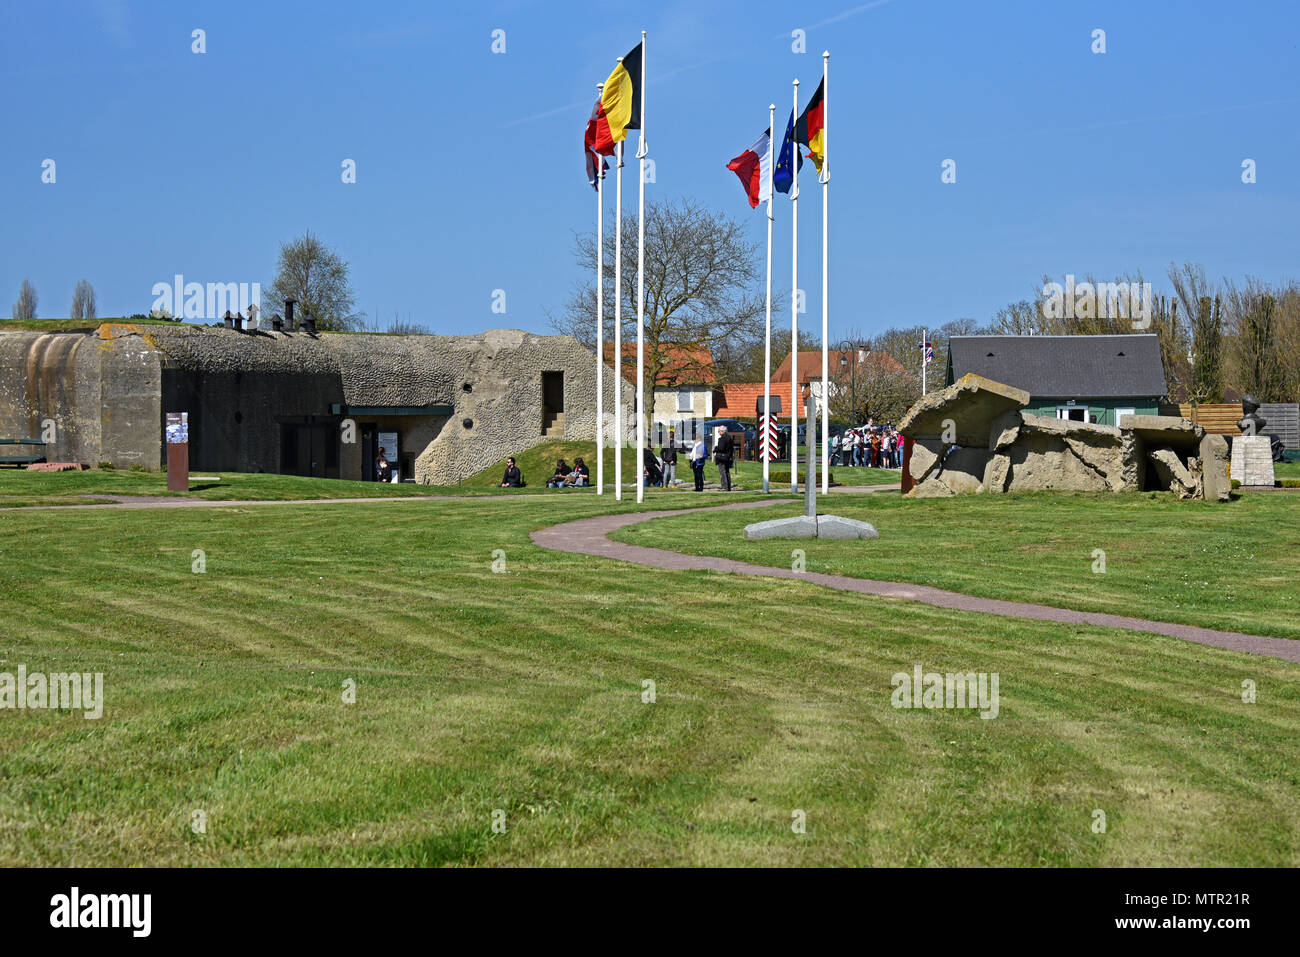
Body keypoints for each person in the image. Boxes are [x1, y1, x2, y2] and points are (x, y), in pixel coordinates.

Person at [713, 425, 735, 491]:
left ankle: (724, 487)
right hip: (728, 457)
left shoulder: (723, 438)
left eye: (719, 431)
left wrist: (715, 448)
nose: (718, 432)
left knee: (722, 472)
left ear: (722, 431)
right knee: (727, 472)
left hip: (722, 457)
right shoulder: (729, 437)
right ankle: (728, 487)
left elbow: (721, 448)